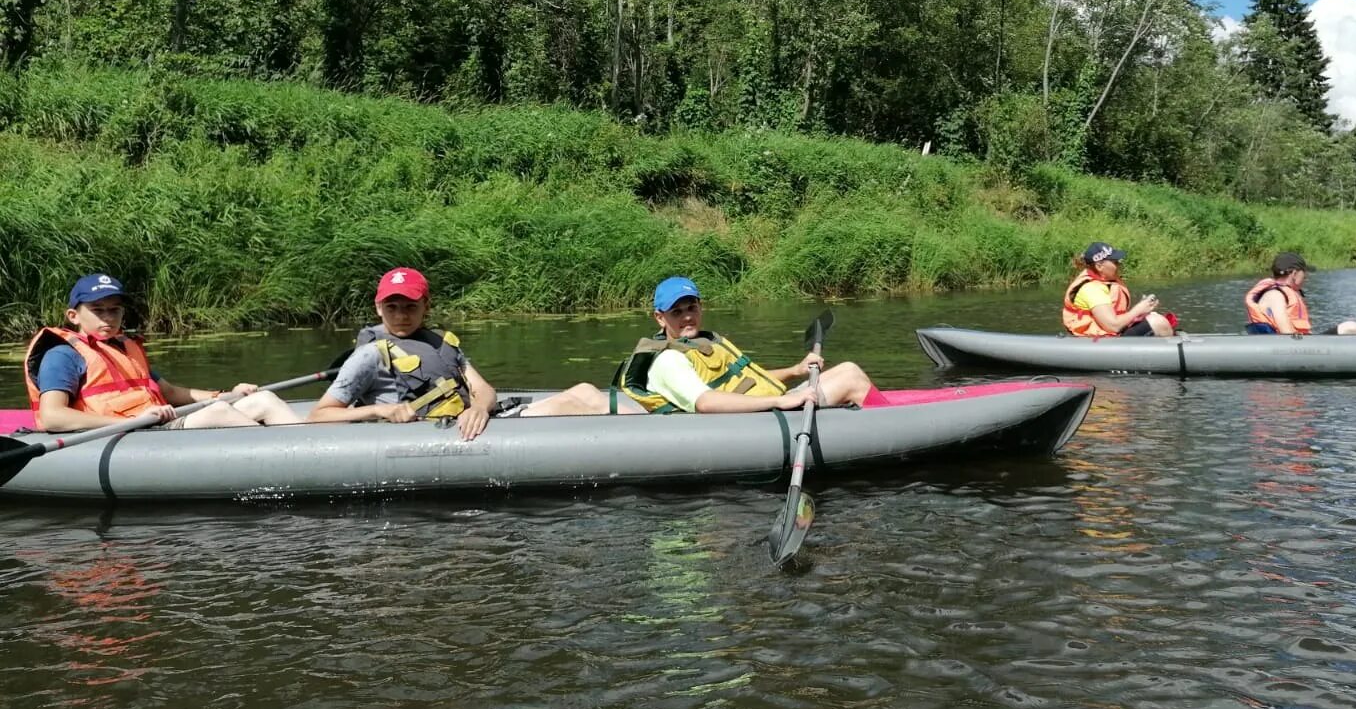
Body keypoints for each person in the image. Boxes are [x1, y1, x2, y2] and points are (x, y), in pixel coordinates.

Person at [306, 267, 625, 440]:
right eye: (392, 306)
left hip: (474, 421)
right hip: (432, 433)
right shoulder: (367, 356)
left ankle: (664, 427)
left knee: (585, 390)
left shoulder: (441, 342)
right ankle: (664, 435)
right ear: (378, 308)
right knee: (572, 402)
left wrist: (481, 409)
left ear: (425, 306)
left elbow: (482, 389)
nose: (401, 315)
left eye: (410, 306)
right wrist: (378, 412)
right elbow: (319, 416)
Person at [24, 273, 300, 432]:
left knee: (263, 399)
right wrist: (132, 422)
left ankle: (315, 449)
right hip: (127, 433)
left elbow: (171, 393)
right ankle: (288, 460)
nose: (107, 318)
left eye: (114, 309)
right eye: (97, 310)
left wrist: (228, 394)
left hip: (153, 425)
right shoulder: (62, 356)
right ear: (73, 316)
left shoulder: (125, 348)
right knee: (218, 413)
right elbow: (53, 417)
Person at [613, 277, 887, 414]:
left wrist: (795, 370)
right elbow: (706, 402)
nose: (687, 316)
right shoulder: (668, 361)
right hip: (752, 421)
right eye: (677, 312)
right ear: (660, 318)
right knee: (850, 380)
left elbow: (746, 380)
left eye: (691, 307)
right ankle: (893, 427)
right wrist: (781, 399)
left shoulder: (702, 342)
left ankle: (884, 411)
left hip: (764, 409)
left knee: (848, 369)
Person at [1061, 243, 1175, 338]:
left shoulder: (1106, 282)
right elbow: (1113, 326)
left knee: (1154, 317)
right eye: (1115, 262)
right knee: (1158, 322)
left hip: (1110, 335)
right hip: (1097, 341)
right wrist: (1138, 309)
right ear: (1099, 266)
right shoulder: (1091, 289)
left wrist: (1142, 312)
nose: (1119, 264)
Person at [1244, 252, 1356, 336]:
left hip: (1300, 344)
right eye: (1304, 273)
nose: (1306, 277)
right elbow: (1287, 334)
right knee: (1351, 327)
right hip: (1292, 349)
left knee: (1352, 327)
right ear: (1294, 273)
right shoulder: (1275, 295)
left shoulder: (1280, 293)